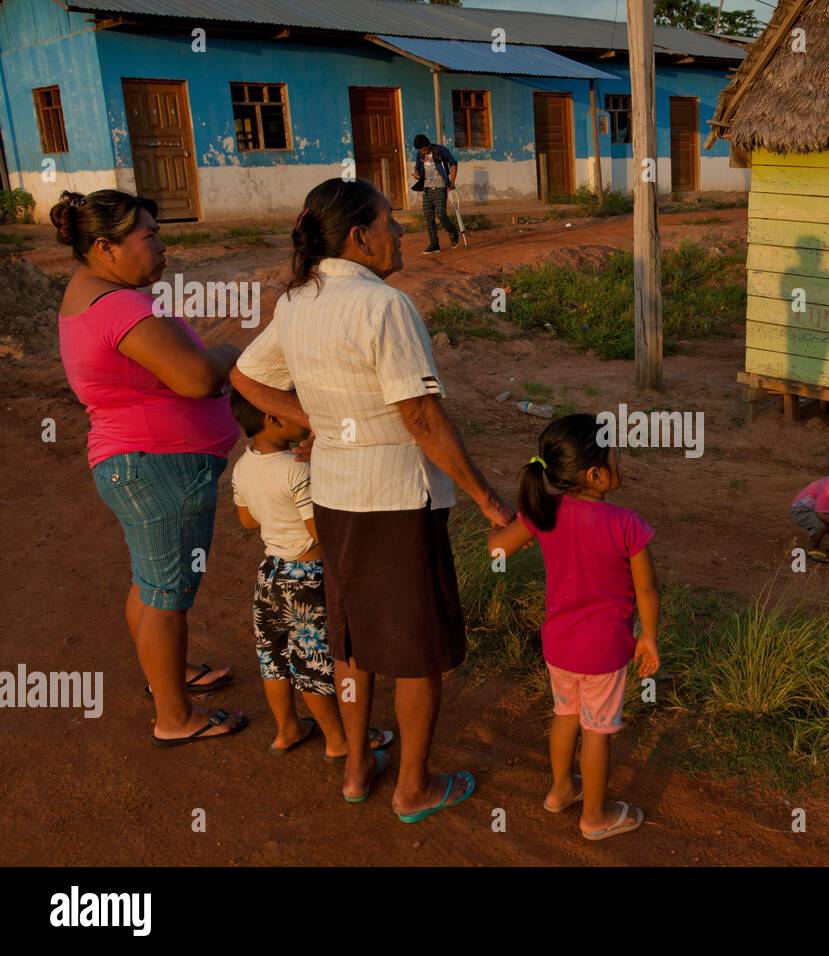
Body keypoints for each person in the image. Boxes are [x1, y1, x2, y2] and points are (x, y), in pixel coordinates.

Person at [230, 177, 511, 820]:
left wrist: (314, 422)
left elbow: (245, 375)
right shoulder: (383, 306)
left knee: (351, 637)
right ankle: (413, 787)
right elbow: (421, 418)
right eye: (391, 220)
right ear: (359, 236)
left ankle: (357, 766)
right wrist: (487, 497)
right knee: (417, 649)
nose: (403, 231)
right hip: (395, 499)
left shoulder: (299, 301)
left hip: (334, 493)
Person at [53, 188, 245, 746]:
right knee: (167, 594)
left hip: (137, 462)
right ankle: (174, 717)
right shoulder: (118, 305)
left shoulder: (92, 293)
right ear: (106, 246)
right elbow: (197, 378)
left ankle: (167, 677)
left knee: (151, 582)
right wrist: (230, 354)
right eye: (150, 236)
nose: (163, 247)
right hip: (158, 467)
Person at [487, 415, 660, 842]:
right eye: (615, 457)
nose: (622, 463)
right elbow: (648, 590)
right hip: (604, 653)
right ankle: (595, 817)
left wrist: (504, 520)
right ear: (596, 474)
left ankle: (561, 790)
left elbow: (496, 550)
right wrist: (649, 637)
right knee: (597, 732)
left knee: (565, 715)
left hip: (559, 647)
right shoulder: (627, 524)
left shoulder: (545, 513)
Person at [228, 390, 395, 761]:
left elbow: (247, 520)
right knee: (313, 662)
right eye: (295, 411)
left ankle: (287, 730)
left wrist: (275, 512)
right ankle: (338, 740)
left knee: (273, 658)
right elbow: (320, 530)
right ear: (272, 418)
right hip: (305, 577)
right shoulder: (297, 469)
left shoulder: (243, 465)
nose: (305, 417)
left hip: (270, 574)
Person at [411, 134, 461, 254]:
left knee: (440, 213)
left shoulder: (439, 150)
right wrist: (416, 174)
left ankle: (453, 232)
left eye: (423, 149)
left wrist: (452, 182)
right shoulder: (420, 155)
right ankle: (434, 244)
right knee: (428, 217)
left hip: (440, 186)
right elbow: (417, 168)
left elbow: (453, 163)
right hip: (426, 188)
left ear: (427, 144)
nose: (422, 152)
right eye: (420, 151)